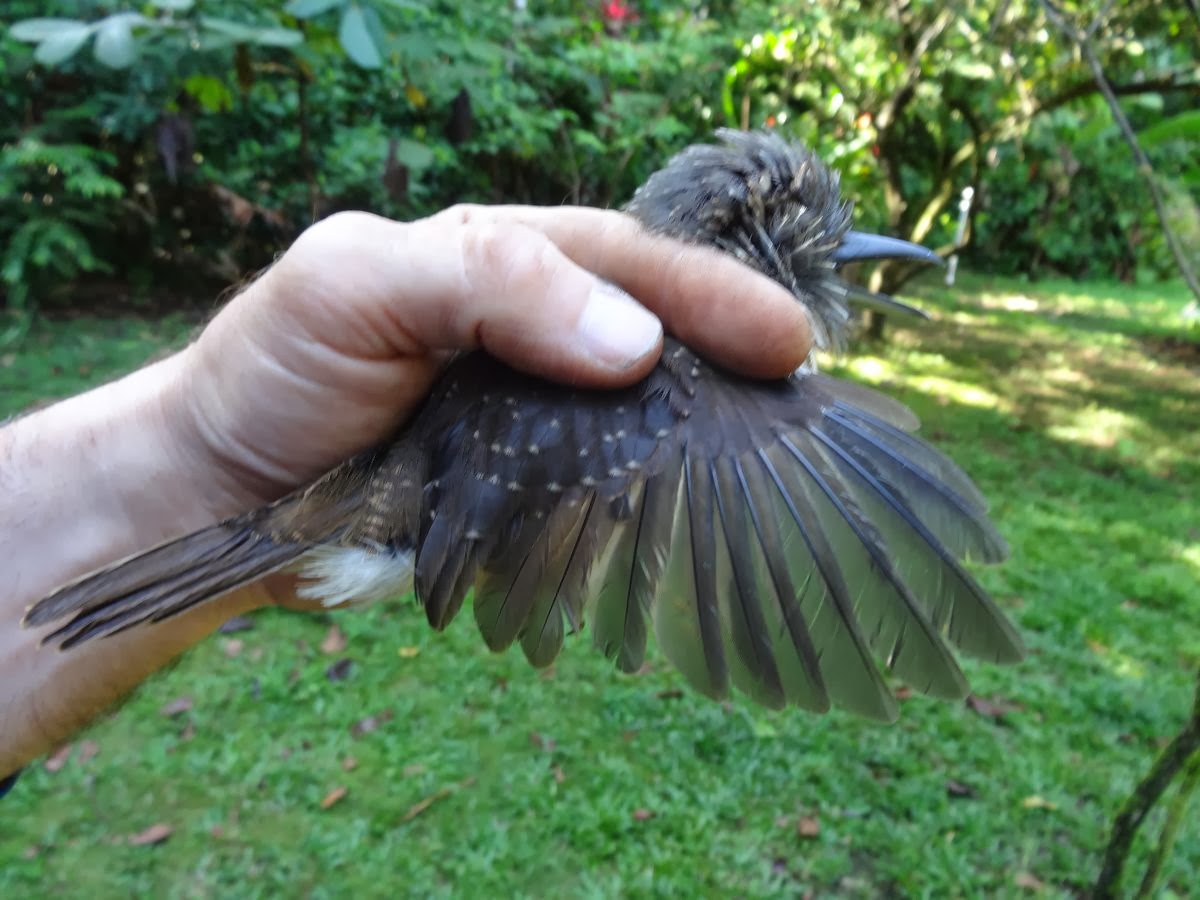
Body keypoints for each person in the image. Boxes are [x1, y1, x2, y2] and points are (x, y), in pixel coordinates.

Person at [0, 205, 812, 786]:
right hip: (379, 513)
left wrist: (196, 459)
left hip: (350, 514)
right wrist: (201, 451)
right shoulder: (675, 359)